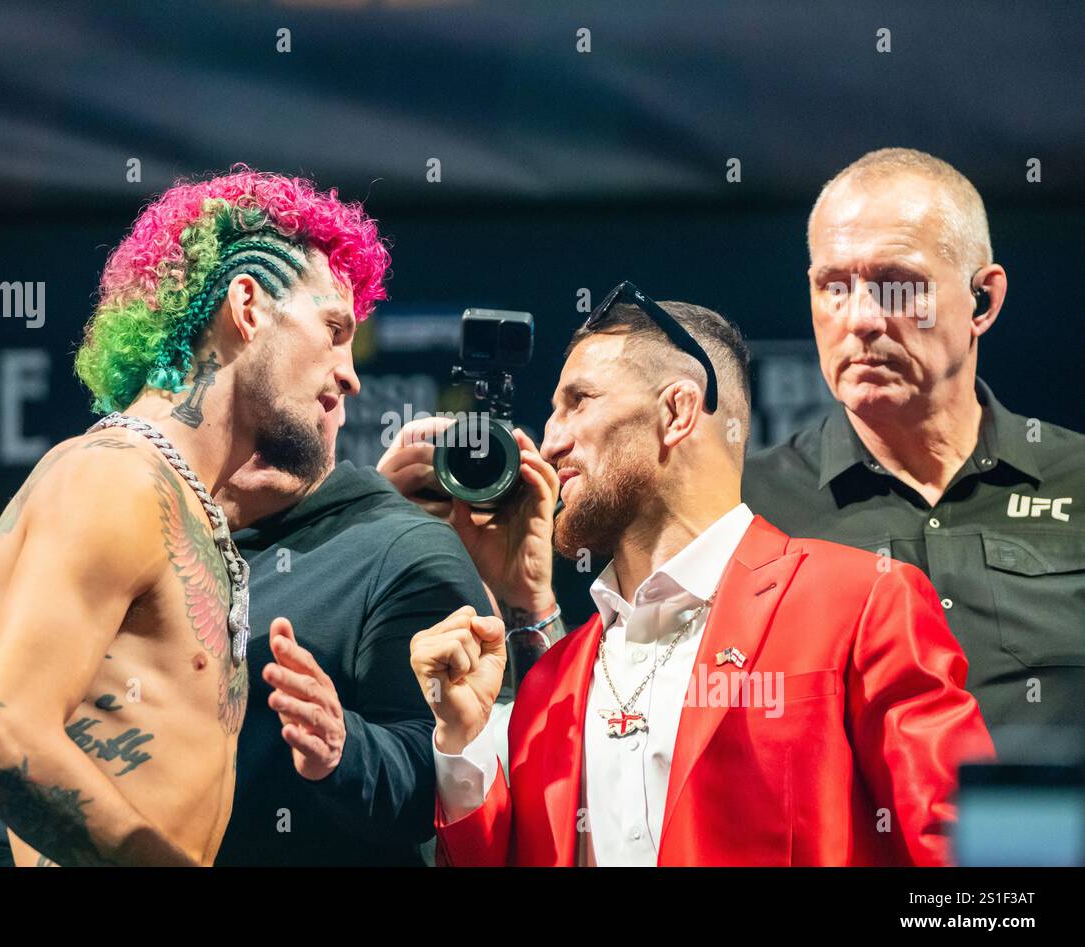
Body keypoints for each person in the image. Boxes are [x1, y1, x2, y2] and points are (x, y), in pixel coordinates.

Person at [411, 286, 993, 866]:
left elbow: (977, 854)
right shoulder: (552, 678)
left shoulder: (861, 601)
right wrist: (461, 744)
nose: (550, 439)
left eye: (578, 401)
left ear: (677, 411)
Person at [0, 167, 389, 866]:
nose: (350, 372)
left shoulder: (184, 506)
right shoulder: (113, 479)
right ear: (247, 306)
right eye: (333, 329)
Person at [744, 148, 1085, 745]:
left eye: (897, 286)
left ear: (984, 299)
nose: (863, 319)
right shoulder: (747, 509)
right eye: (835, 287)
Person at [209, 398, 494, 866]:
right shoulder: (145, 538)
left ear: (338, 392)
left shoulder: (405, 548)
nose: (253, 428)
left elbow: (438, 787)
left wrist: (345, 748)